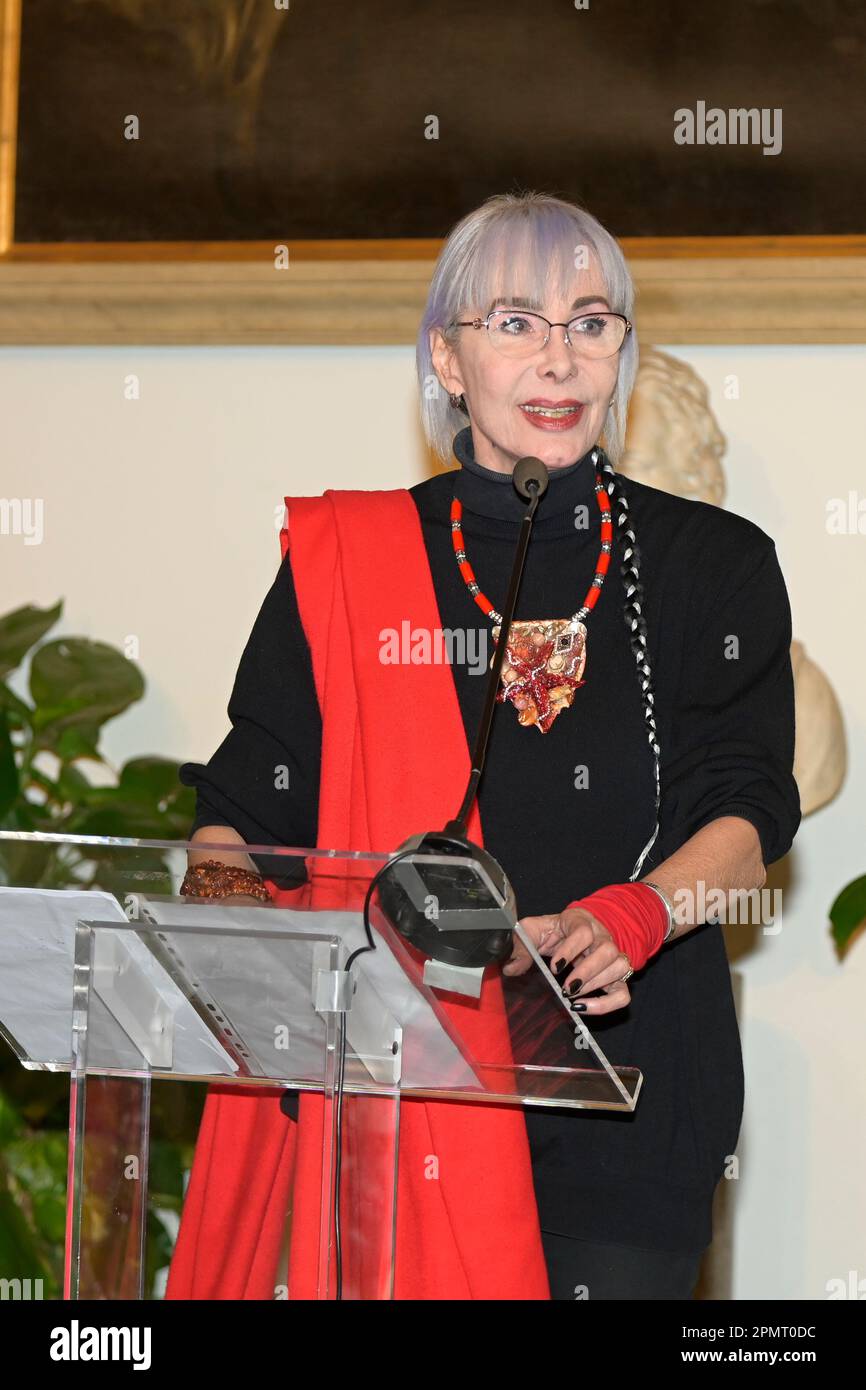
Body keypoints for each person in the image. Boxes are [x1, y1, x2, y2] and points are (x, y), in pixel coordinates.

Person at [166, 191, 800, 1301]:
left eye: (589, 322)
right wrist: (238, 952)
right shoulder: (348, 560)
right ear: (447, 360)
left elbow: (743, 816)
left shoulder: (714, 561)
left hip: (631, 1092)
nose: (556, 358)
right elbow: (246, 812)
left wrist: (632, 914)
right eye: (513, 322)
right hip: (404, 1087)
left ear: (620, 356)